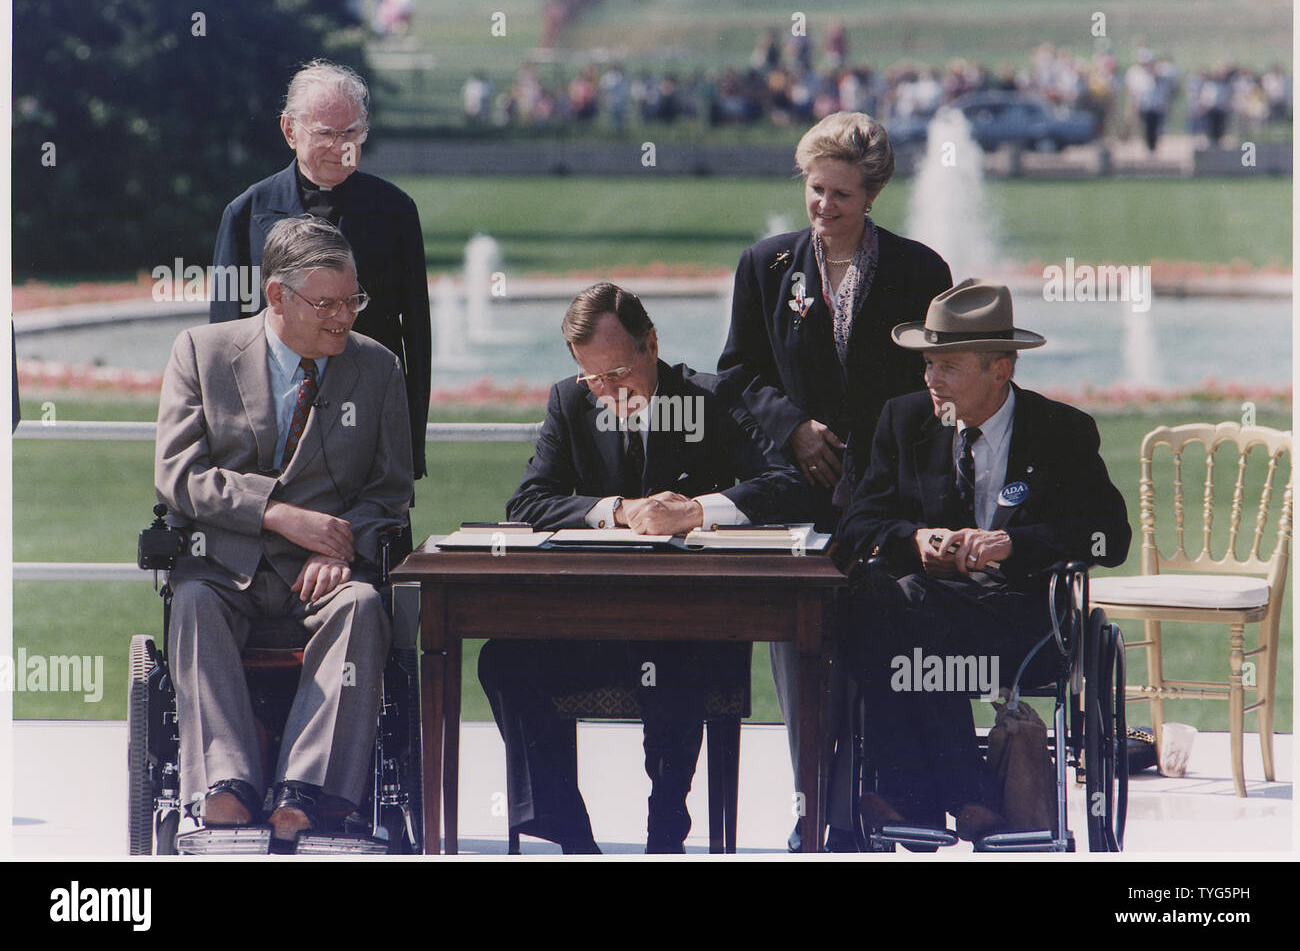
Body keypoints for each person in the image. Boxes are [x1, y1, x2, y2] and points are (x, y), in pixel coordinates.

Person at [478, 282, 806, 854]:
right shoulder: (569, 401)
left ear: (650, 344)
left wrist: (698, 511)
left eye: (619, 373)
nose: (608, 392)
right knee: (503, 660)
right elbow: (528, 502)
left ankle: (665, 830)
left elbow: (785, 484)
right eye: (593, 378)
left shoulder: (711, 397)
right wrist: (618, 511)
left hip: (693, 627)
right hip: (599, 625)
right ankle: (570, 836)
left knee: (675, 657)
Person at [717, 110, 952, 849]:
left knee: (882, 630)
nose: (823, 207)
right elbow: (736, 373)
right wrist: (793, 426)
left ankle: (885, 797)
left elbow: (935, 384)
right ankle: (813, 804)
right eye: (815, 190)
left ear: (871, 195)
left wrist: (877, 461)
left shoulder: (920, 271)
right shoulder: (766, 265)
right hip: (795, 493)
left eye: (840, 196)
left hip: (890, 497)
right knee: (800, 644)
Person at [834, 279, 1131, 838]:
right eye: (927, 363)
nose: (930, 380)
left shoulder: (1061, 432)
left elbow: (1109, 539)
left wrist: (1016, 543)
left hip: (1019, 621)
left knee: (899, 608)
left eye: (947, 366)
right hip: (921, 611)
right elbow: (855, 528)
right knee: (873, 596)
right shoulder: (903, 421)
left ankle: (915, 798)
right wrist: (915, 540)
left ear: (1001, 370)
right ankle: (964, 793)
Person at [157, 216, 413, 842]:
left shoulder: (376, 369)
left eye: (353, 301)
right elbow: (178, 475)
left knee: (359, 604)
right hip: (224, 567)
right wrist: (273, 512)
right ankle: (227, 786)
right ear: (276, 296)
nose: (343, 318)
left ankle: (305, 791)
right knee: (190, 602)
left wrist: (345, 542)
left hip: (322, 576)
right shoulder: (202, 351)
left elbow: (391, 491)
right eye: (326, 304)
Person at [209, 59, 431, 482]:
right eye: (326, 134)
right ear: (289, 131)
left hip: (368, 434)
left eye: (352, 133)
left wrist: (408, 450)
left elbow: (416, 336)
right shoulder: (243, 214)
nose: (340, 147)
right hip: (269, 441)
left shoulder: (396, 210)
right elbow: (223, 342)